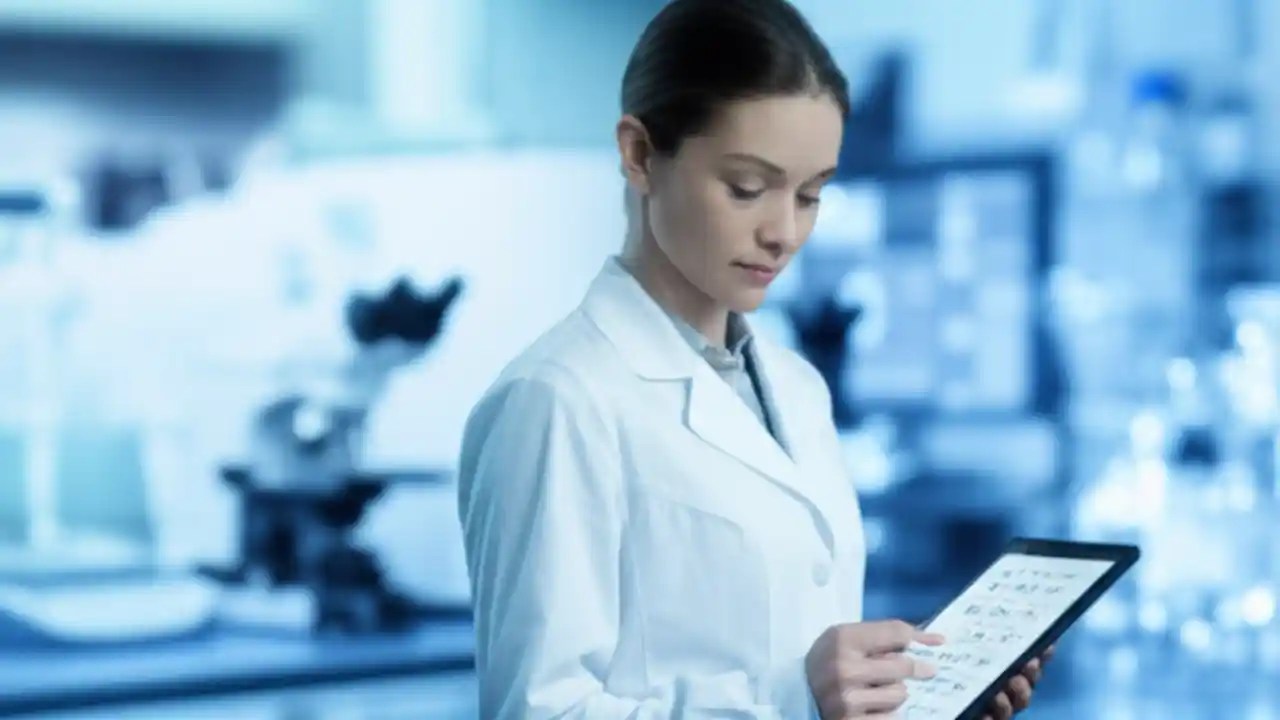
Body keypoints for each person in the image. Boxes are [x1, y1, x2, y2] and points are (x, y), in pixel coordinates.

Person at [456, 1, 1047, 717]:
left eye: (810, 194)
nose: (784, 231)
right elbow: (538, 710)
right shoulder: (555, 399)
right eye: (746, 188)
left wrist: (911, 697)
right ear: (640, 155)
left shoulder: (797, 389)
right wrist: (792, 699)